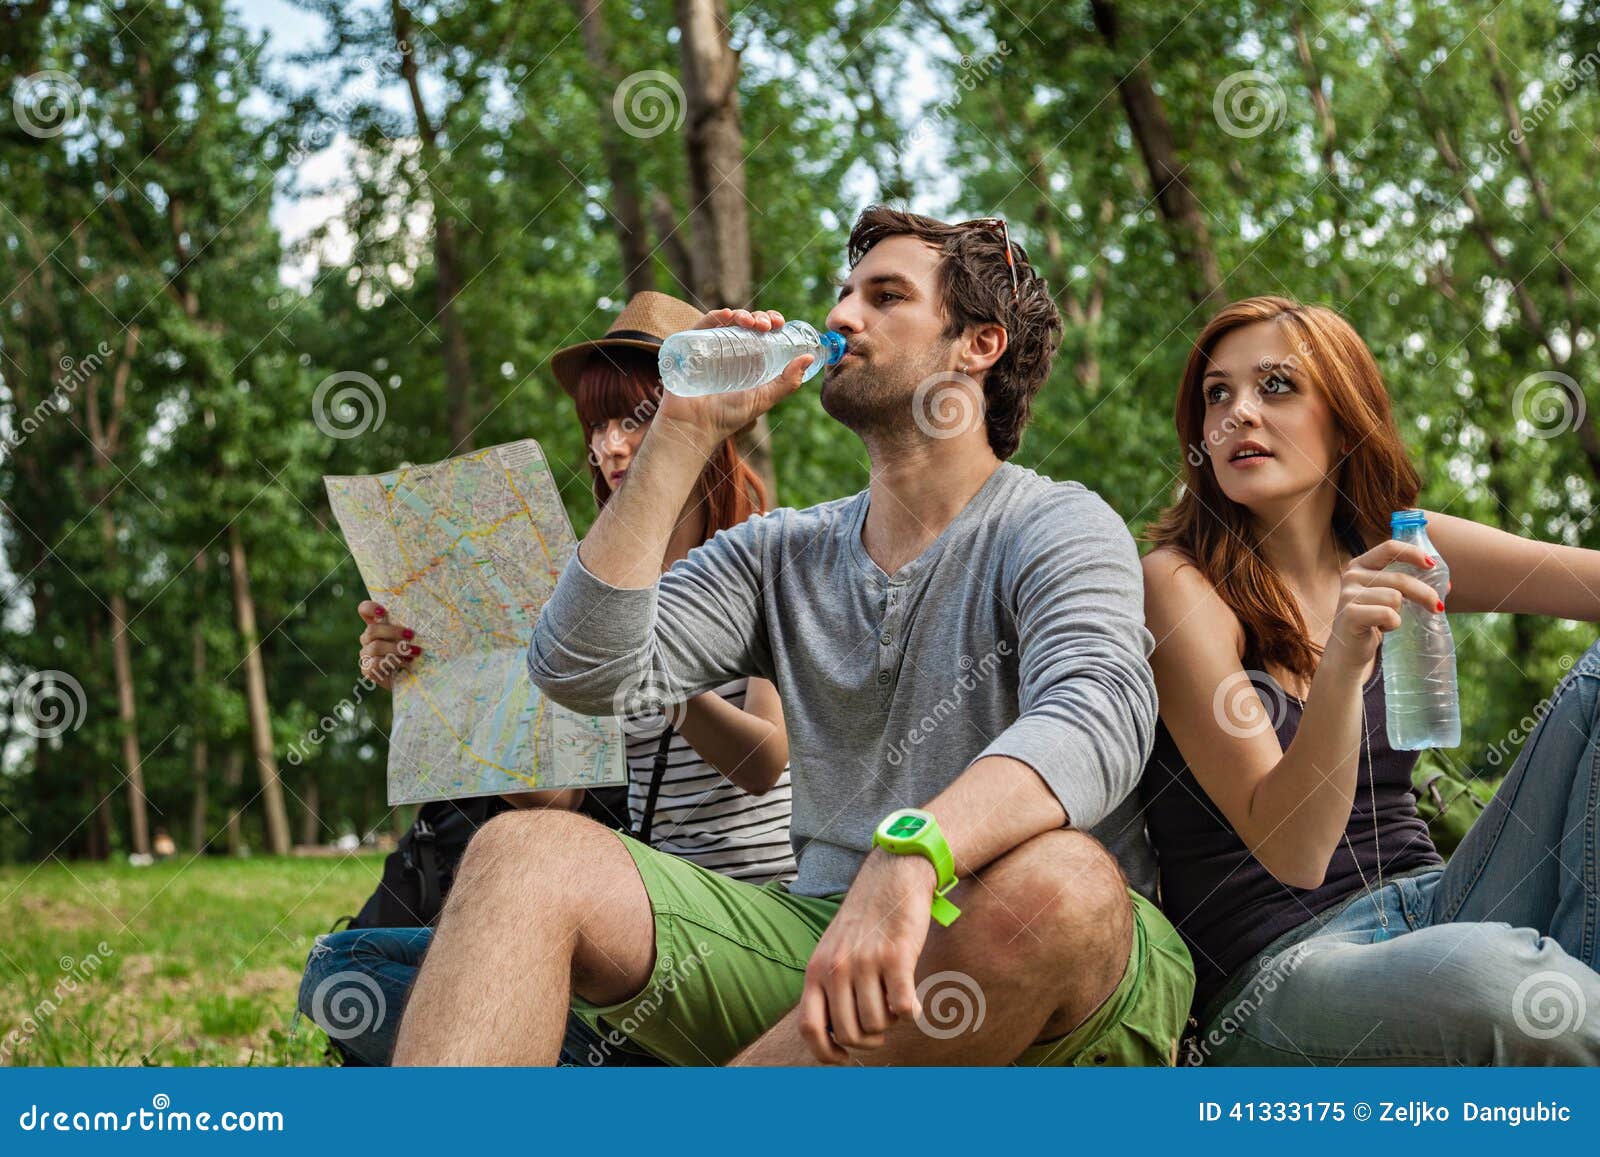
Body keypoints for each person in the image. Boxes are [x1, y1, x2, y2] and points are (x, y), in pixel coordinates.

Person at [391, 206, 1195, 1068]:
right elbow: (578, 672)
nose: (843, 317)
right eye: (844, 294)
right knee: (523, 854)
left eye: (886, 297)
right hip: (822, 939)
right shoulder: (782, 552)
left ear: (979, 346)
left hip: (1060, 983)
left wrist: (915, 851)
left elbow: (1096, 713)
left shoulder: (1060, 523)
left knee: (1059, 886)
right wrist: (680, 433)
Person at [298, 291, 796, 1066]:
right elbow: (556, 800)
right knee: (342, 967)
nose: (610, 445)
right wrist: (441, 668)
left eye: (635, 418)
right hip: (636, 928)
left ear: (707, 417)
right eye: (597, 424)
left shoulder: (766, 559)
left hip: (740, 933)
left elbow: (766, 761)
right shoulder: (589, 591)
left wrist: (650, 678)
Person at [1139, 294, 1600, 1064]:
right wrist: (1347, 657)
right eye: (1218, 393)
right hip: (1290, 969)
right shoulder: (1179, 584)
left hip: (1442, 903)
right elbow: (1293, 852)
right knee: (1502, 987)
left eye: (1275, 386)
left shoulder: (1399, 542)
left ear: (1344, 418)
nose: (1237, 414)